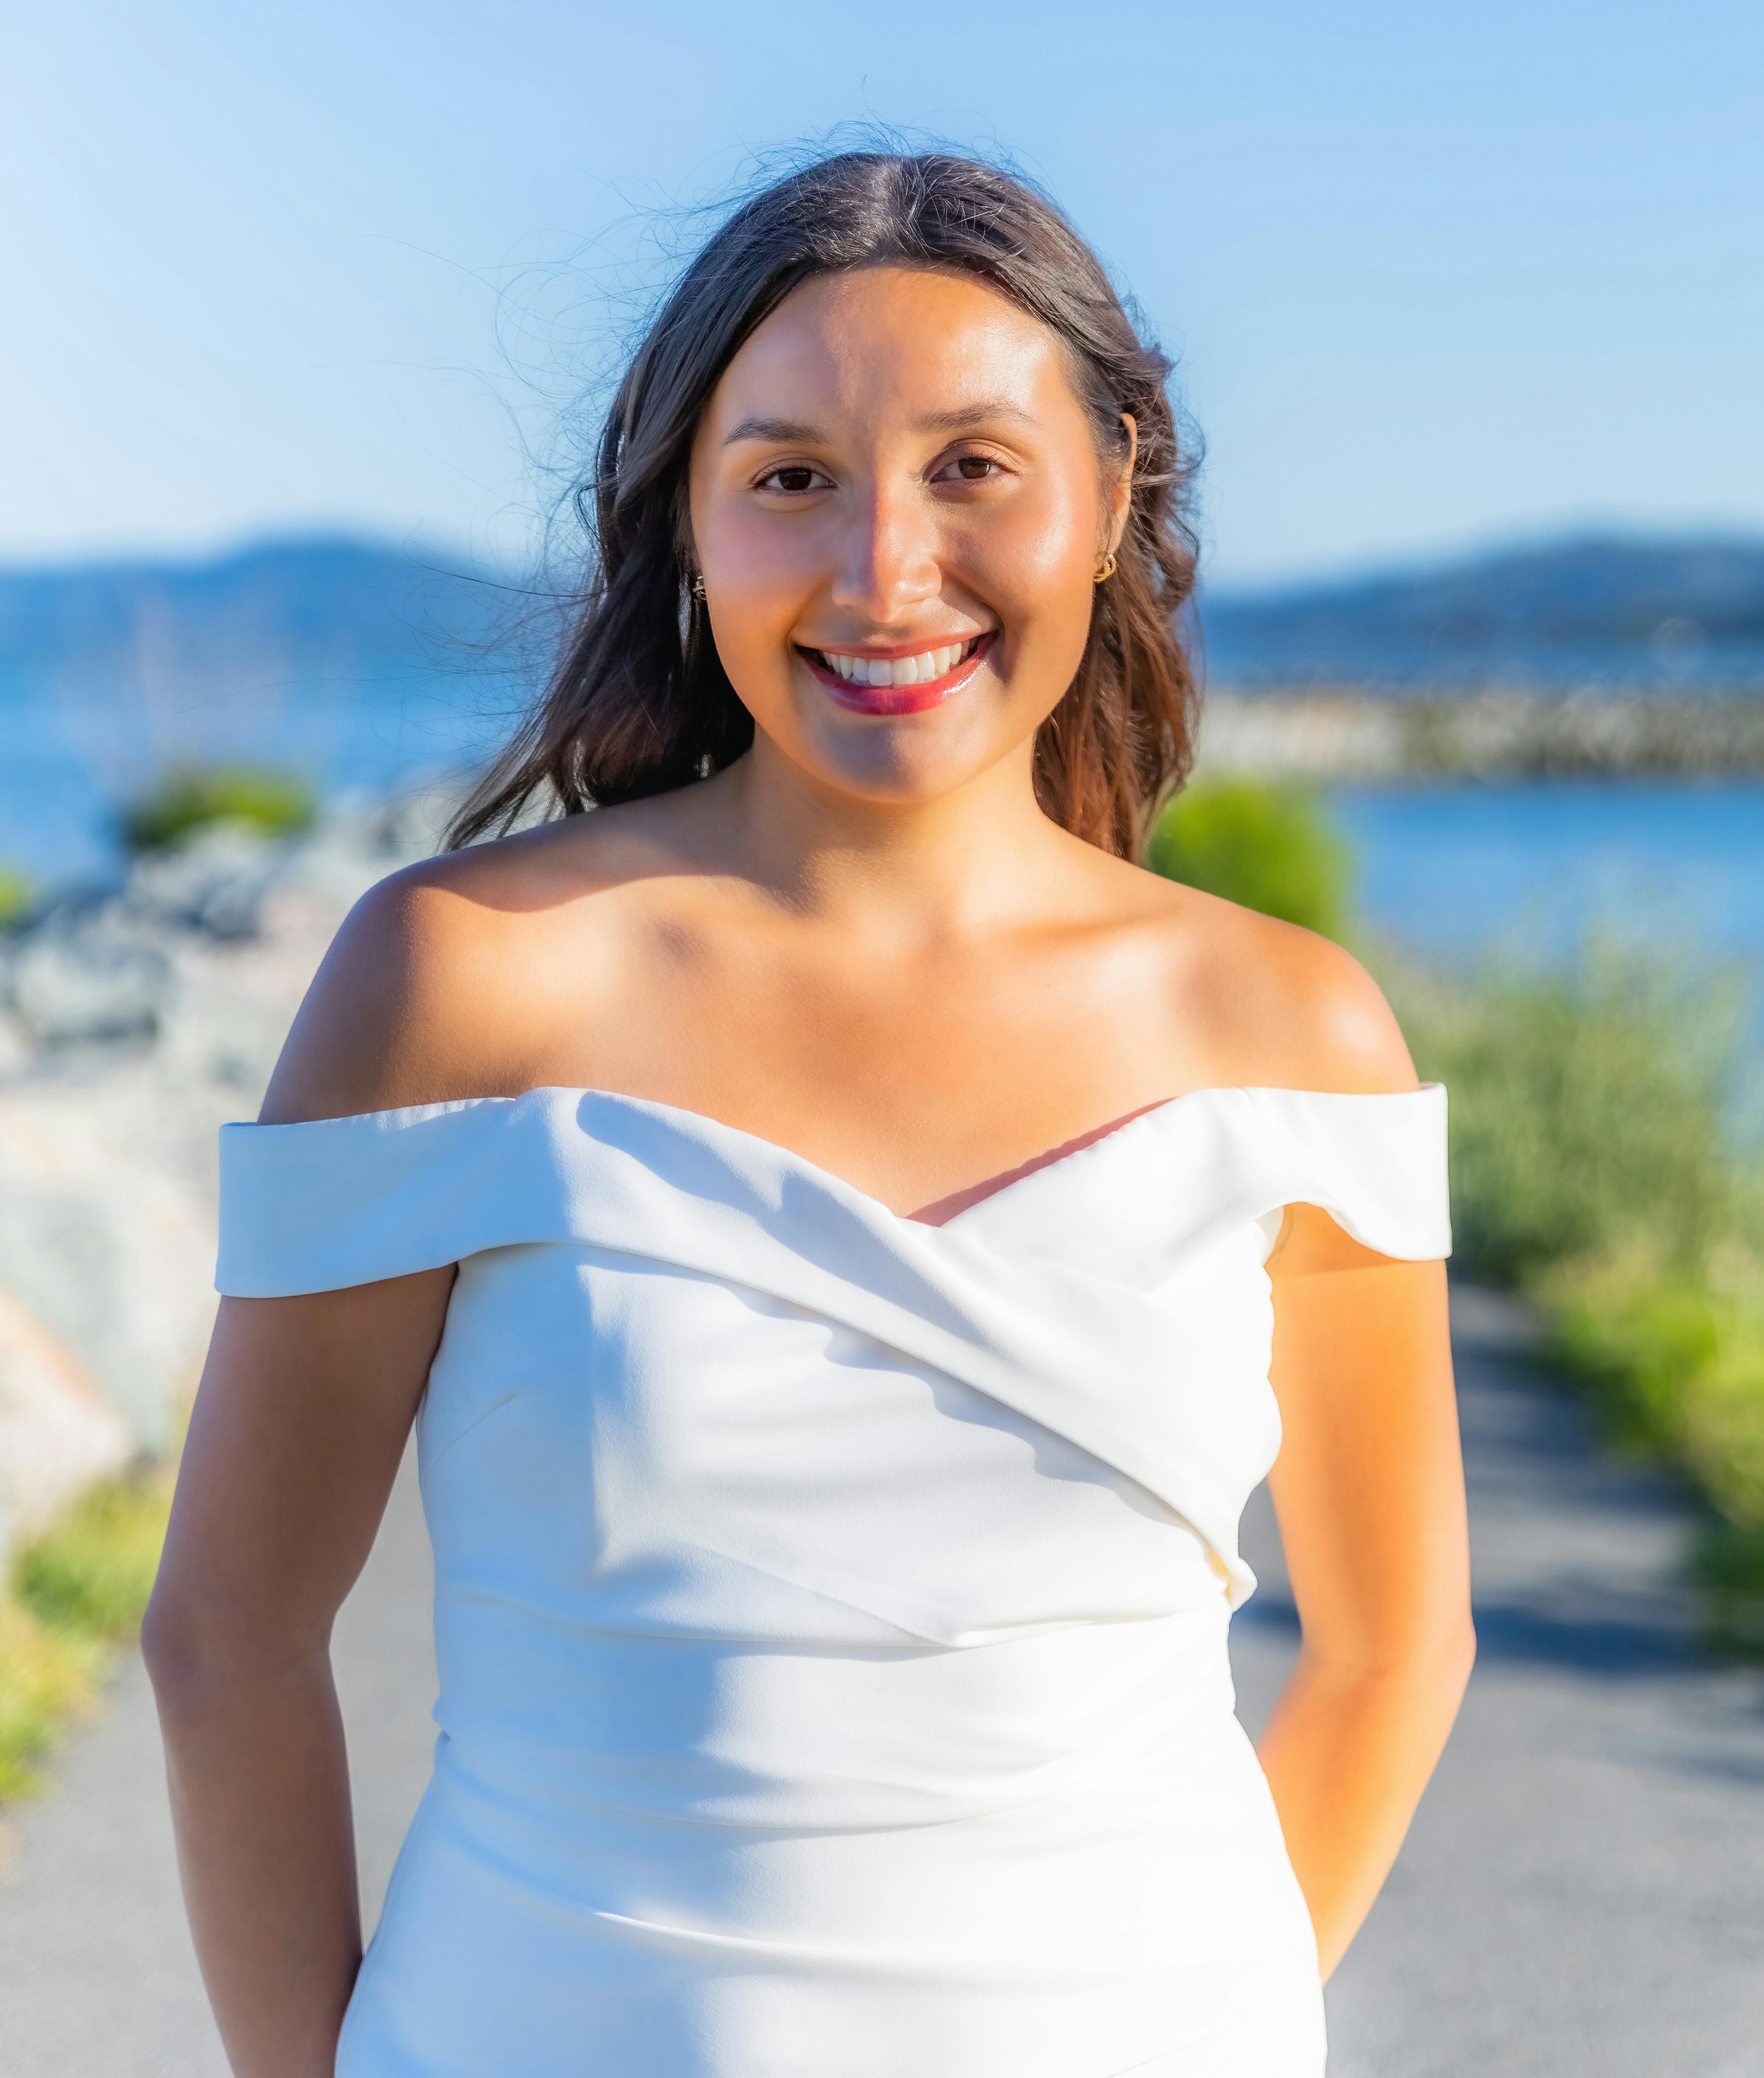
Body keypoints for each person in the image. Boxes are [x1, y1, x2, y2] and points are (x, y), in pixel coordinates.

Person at [145, 149, 1474, 2078]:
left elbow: (1392, 1647)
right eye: (788, 480)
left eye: (972, 466)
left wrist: (1213, 2016)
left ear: (1113, 490)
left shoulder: (1289, 1032)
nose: (883, 573)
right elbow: (228, 1638)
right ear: (686, 523)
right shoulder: (462, 982)